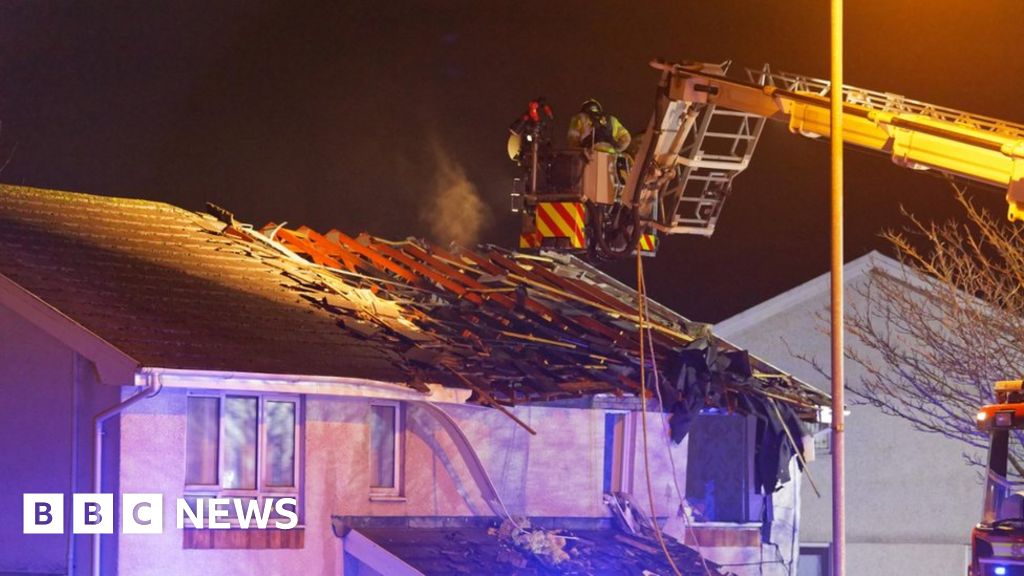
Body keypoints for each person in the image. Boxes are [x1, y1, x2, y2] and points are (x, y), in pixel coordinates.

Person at [566, 98, 631, 154]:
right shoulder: (612, 120)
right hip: (609, 157)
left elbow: (572, 140)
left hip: (588, 156)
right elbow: (626, 138)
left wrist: (580, 151)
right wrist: (616, 149)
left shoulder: (579, 118)